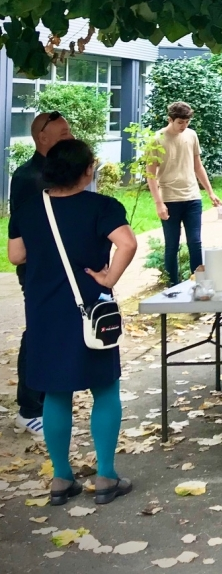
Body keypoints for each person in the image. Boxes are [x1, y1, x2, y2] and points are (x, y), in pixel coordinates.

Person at [7, 139, 137, 506]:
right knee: (105, 388)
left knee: (55, 393)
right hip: (91, 312)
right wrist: (108, 278)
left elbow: (16, 255)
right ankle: (106, 476)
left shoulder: (30, 209)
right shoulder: (102, 207)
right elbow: (126, 243)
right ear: (86, 170)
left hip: (45, 312)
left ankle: (61, 478)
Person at [8, 110, 73, 437]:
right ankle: (29, 409)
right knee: (38, 333)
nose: (71, 139)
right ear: (41, 138)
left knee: (56, 333)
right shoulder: (27, 178)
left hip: (67, 270)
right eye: (63, 135)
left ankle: (50, 399)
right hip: (39, 271)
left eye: (70, 133)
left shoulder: (63, 172)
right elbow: (21, 236)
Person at [147, 101, 222, 287]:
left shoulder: (191, 135)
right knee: (172, 245)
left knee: (195, 243)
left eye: (187, 122)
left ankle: (198, 284)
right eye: (180, 122)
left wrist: (210, 192)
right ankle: (172, 285)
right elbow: (150, 174)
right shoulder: (156, 140)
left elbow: (198, 166)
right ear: (170, 119)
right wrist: (158, 203)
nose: (184, 126)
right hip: (170, 199)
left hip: (192, 197)